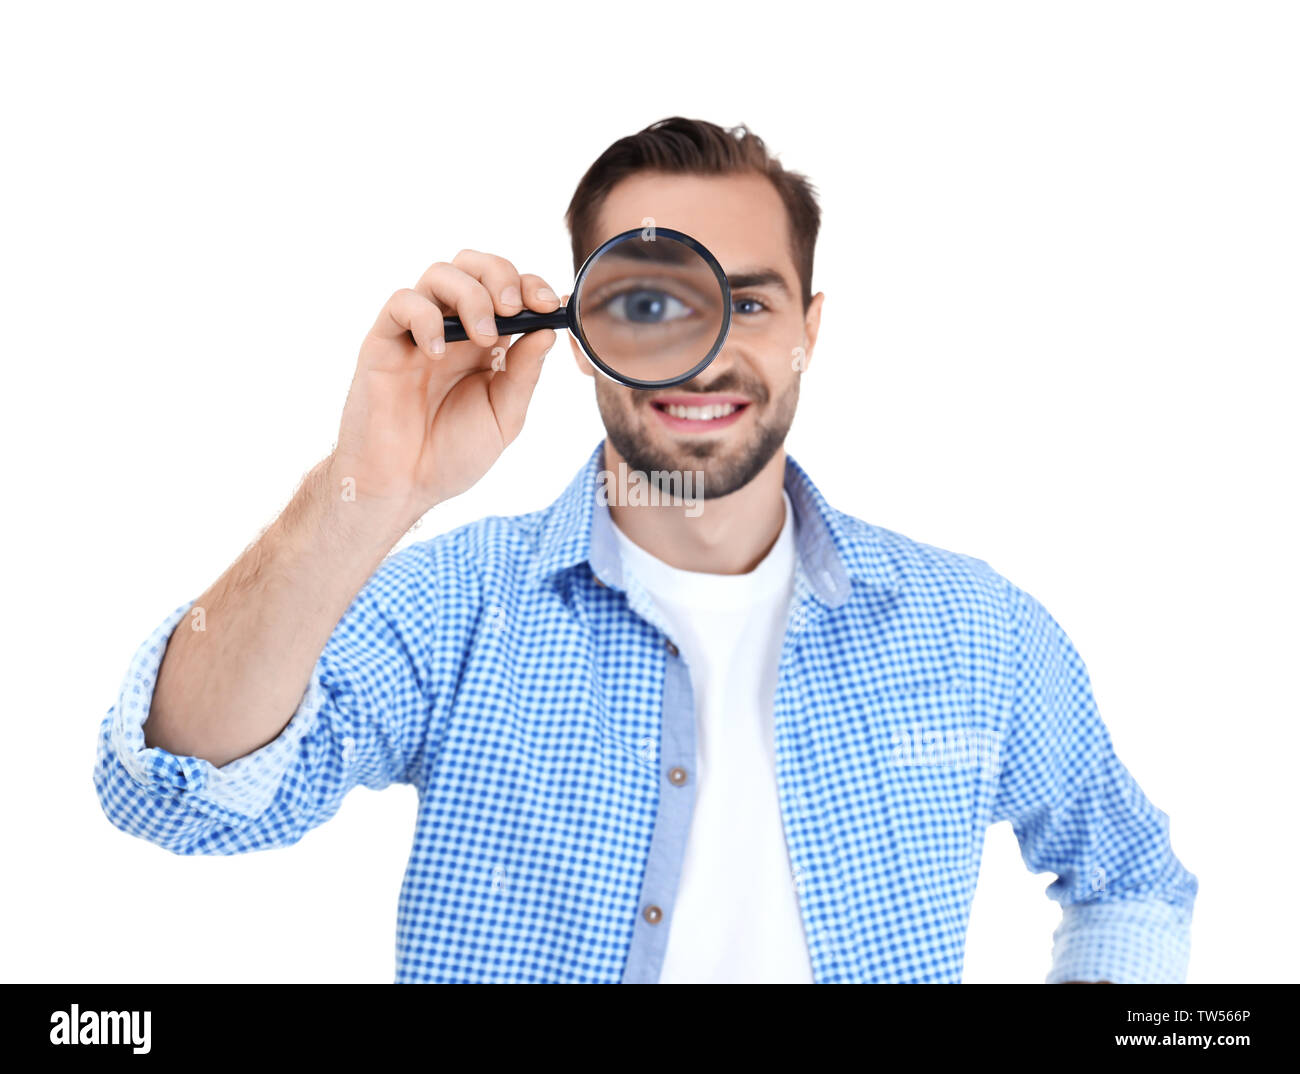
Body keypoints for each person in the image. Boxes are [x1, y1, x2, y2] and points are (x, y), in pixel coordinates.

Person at [94, 116, 1197, 984]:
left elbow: (1132, 883)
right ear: (578, 337)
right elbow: (174, 792)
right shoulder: (454, 606)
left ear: (810, 329)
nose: (696, 355)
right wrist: (363, 493)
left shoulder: (979, 628)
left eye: (746, 302)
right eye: (647, 303)